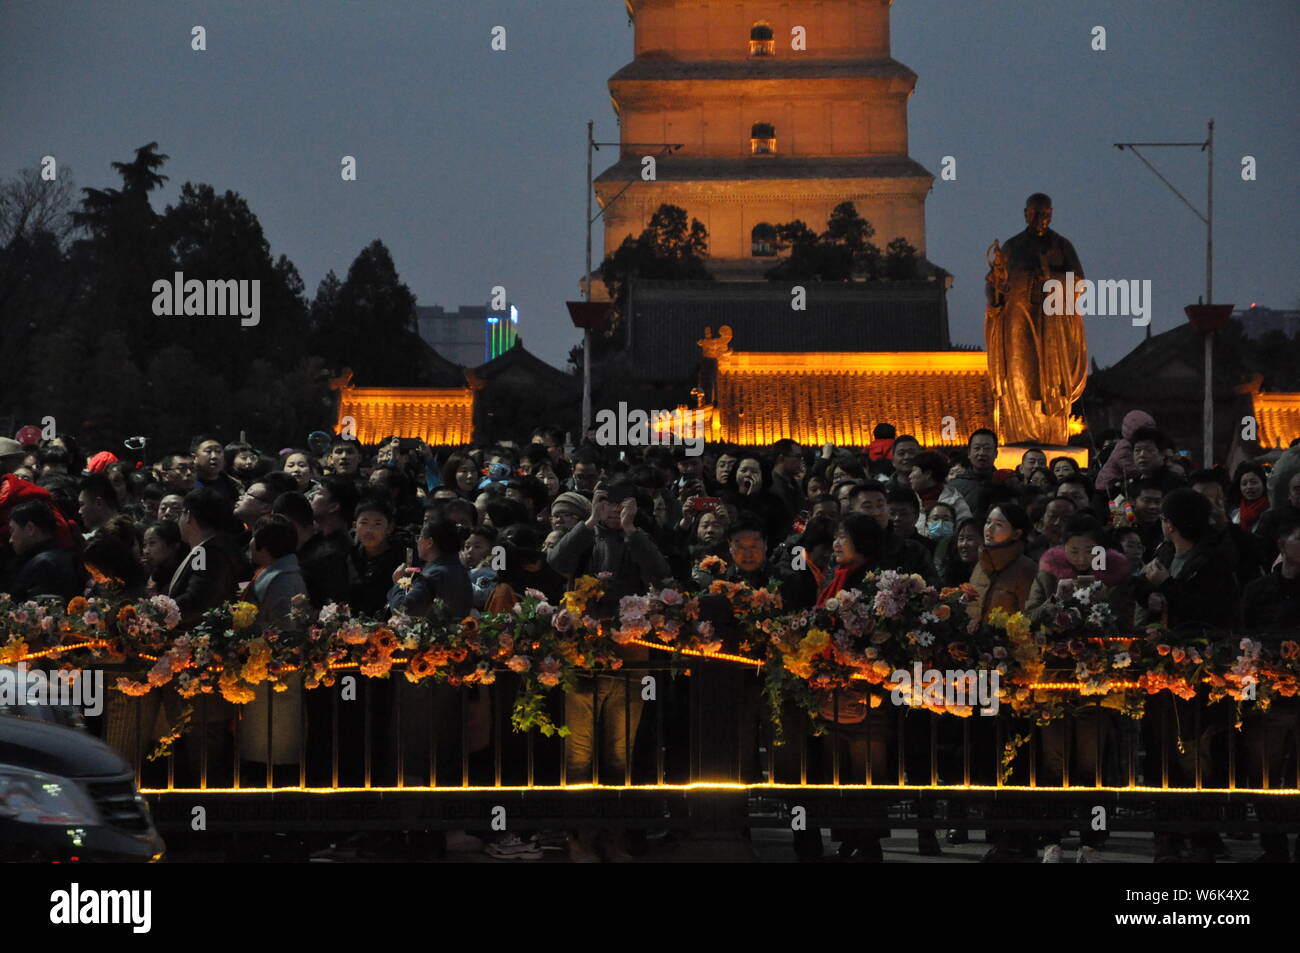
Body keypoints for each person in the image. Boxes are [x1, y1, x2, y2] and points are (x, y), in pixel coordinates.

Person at [6, 500, 84, 601]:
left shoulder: (43, 566)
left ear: (30, 528)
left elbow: (41, 613)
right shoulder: (67, 556)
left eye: (12, 531)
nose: (10, 540)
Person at [1230, 462, 1269, 533]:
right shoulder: (1235, 514)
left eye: (1254, 482)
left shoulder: (1271, 512)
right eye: (1244, 484)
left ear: (1263, 484)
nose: (1249, 487)